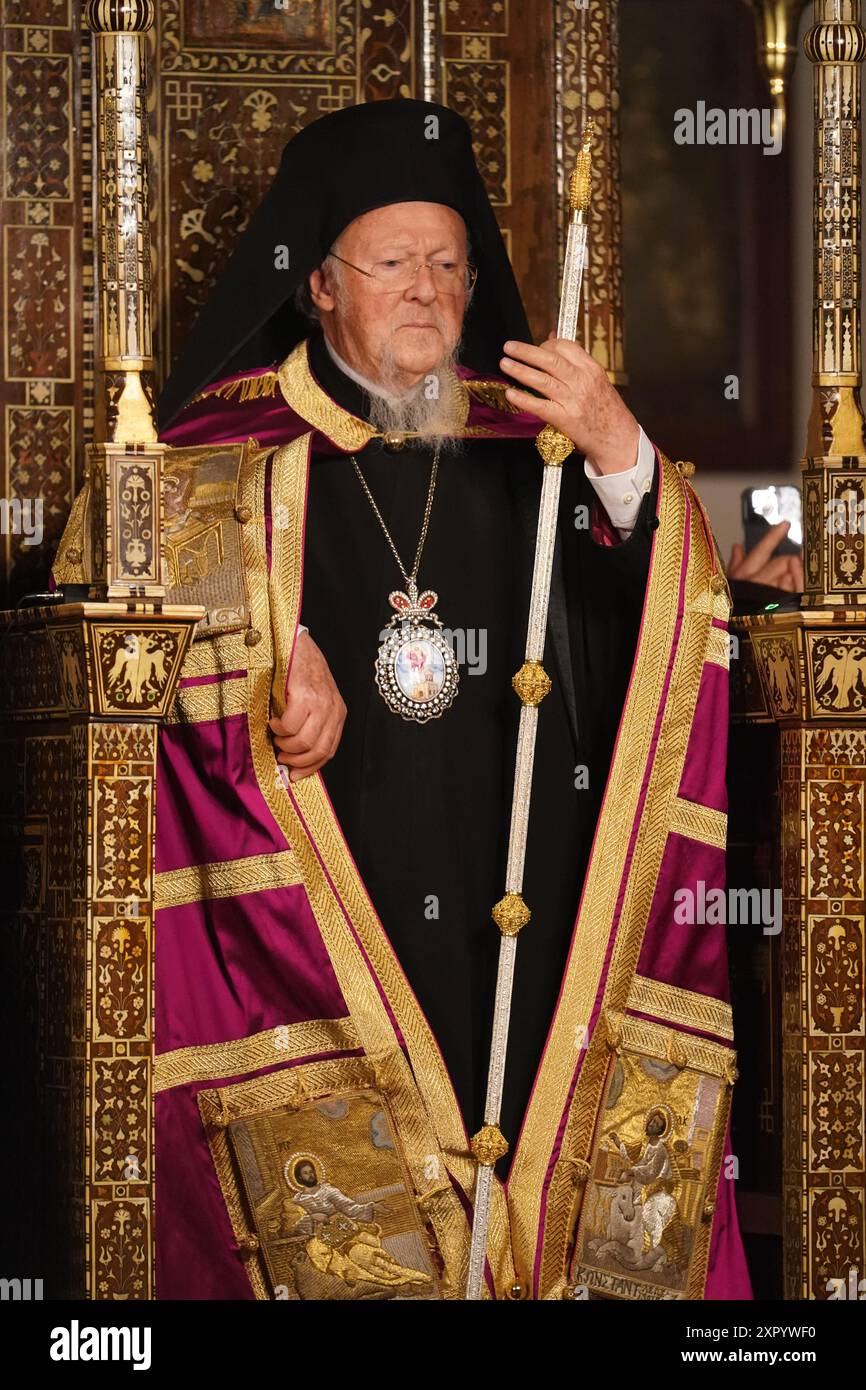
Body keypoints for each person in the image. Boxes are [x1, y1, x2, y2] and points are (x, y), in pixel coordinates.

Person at [53, 97, 750, 1301]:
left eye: (447, 265)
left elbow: (668, 625)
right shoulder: (226, 455)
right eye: (391, 265)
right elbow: (94, 588)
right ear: (320, 286)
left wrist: (620, 451)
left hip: (526, 926)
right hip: (331, 936)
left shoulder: (529, 440)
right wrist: (262, 644)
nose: (426, 291)